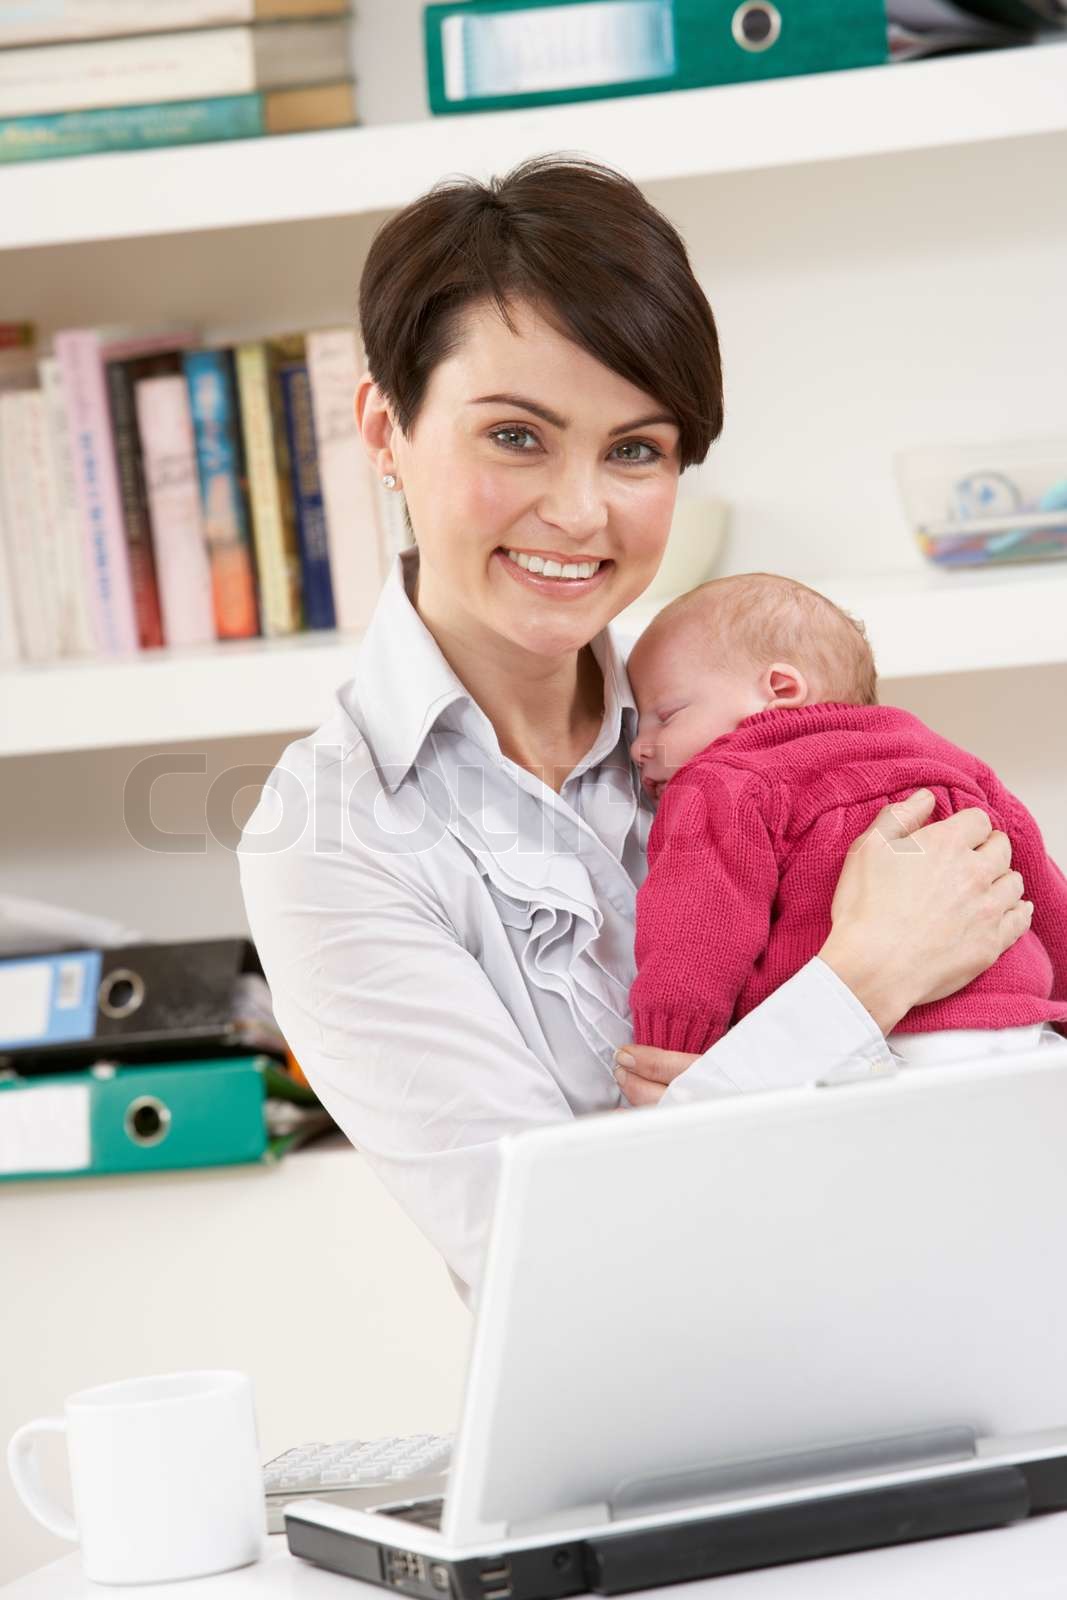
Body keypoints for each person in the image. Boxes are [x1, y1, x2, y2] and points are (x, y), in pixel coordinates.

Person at [237, 156, 1032, 1304]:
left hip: (963, 1349)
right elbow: (555, 1262)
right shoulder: (332, 838)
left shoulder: (759, 717)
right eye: (515, 436)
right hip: (651, 1454)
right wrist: (860, 981)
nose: (577, 511)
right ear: (383, 428)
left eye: (634, 450)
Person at [627, 572, 1067, 1067]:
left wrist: (674, 1050)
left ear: (780, 687)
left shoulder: (723, 780)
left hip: (873, 1044)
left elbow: (696, 931)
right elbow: (1043, 888)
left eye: (667, 715)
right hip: (1024, 1031)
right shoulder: (944, 758)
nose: (641, 747)